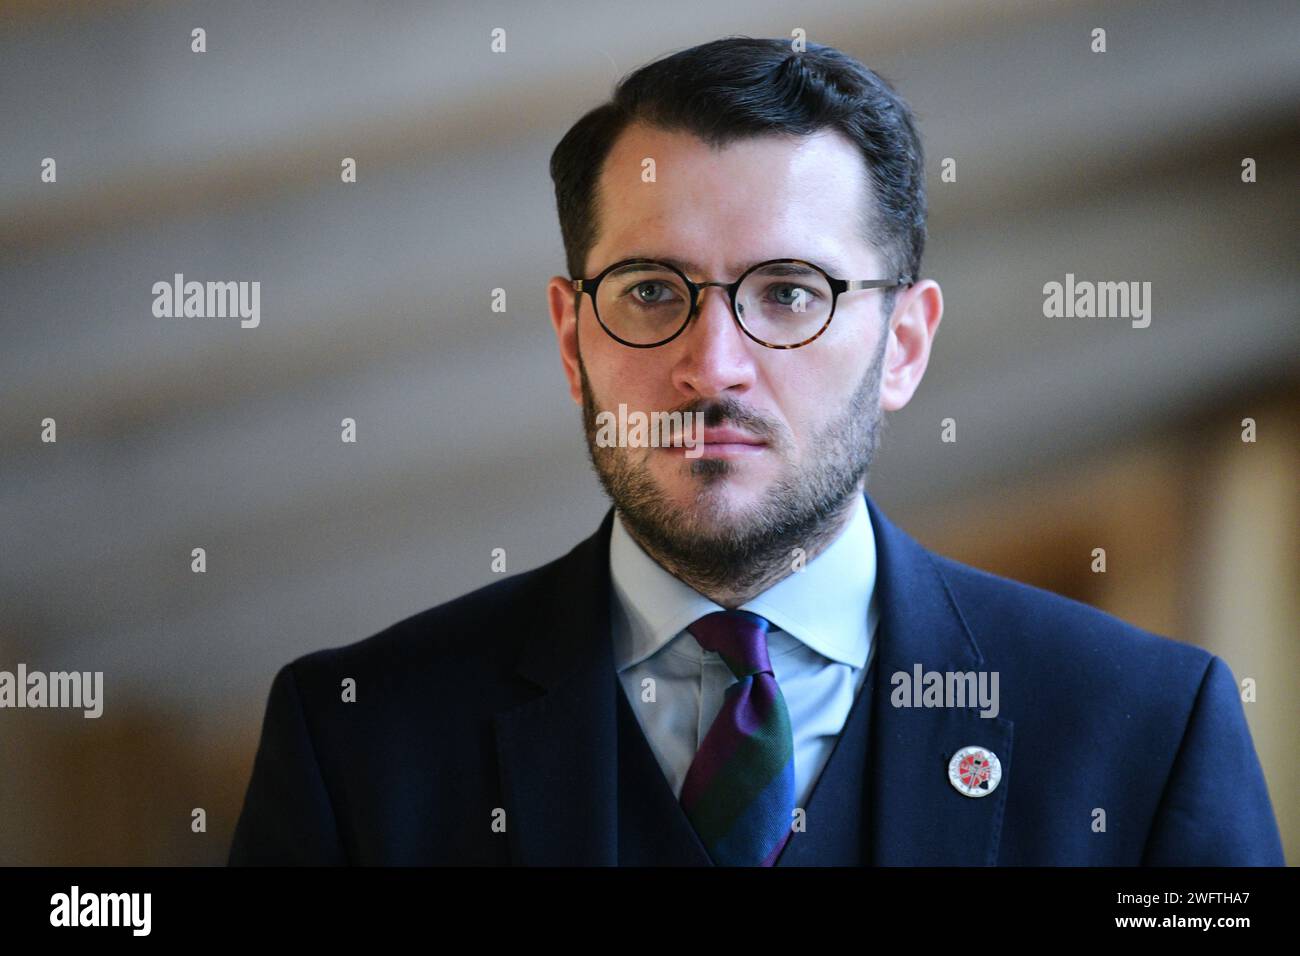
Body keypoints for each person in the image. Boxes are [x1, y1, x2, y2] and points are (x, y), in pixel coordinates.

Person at [228, 37, 1284, 866]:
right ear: (570, 338)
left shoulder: (1141, 730)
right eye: (650, 291)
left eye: (789, 291)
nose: (714, 364)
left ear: (903, 344)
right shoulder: (361, 742)